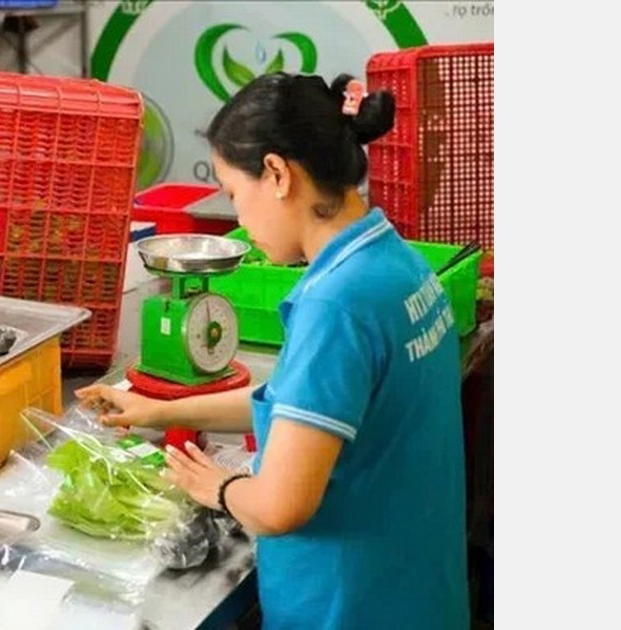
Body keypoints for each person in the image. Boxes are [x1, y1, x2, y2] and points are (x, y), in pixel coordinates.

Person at [77, 72, 469, 630]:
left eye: (235, 193)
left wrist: (218, 486)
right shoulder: (394, 263)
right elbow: (307, 406)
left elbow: (281, 506)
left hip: (349, 606)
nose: (238, 218)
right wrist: (161, 410)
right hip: (416, 592)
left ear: (278, 174)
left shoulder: (337, 303)